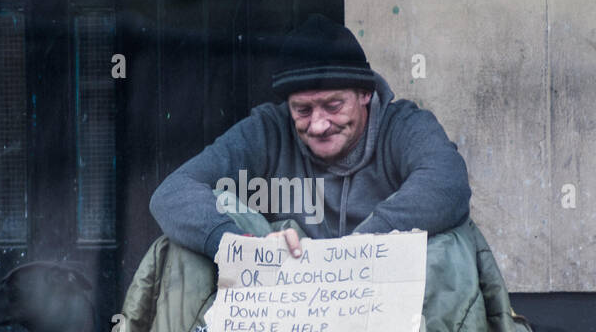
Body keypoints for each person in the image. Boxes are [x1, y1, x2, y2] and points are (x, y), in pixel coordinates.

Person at [149, 14, 472, 259]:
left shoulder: (404, 125)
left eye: (333, 106)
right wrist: (240, 245)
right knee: (184, 248)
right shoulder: (268, 129)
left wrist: (359, 247)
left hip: (387, 301)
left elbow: (447, 183)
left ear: (364, 94)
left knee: (453, 243)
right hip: (289, 306)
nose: (318, 125)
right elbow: (173, 193)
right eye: (302, 110)